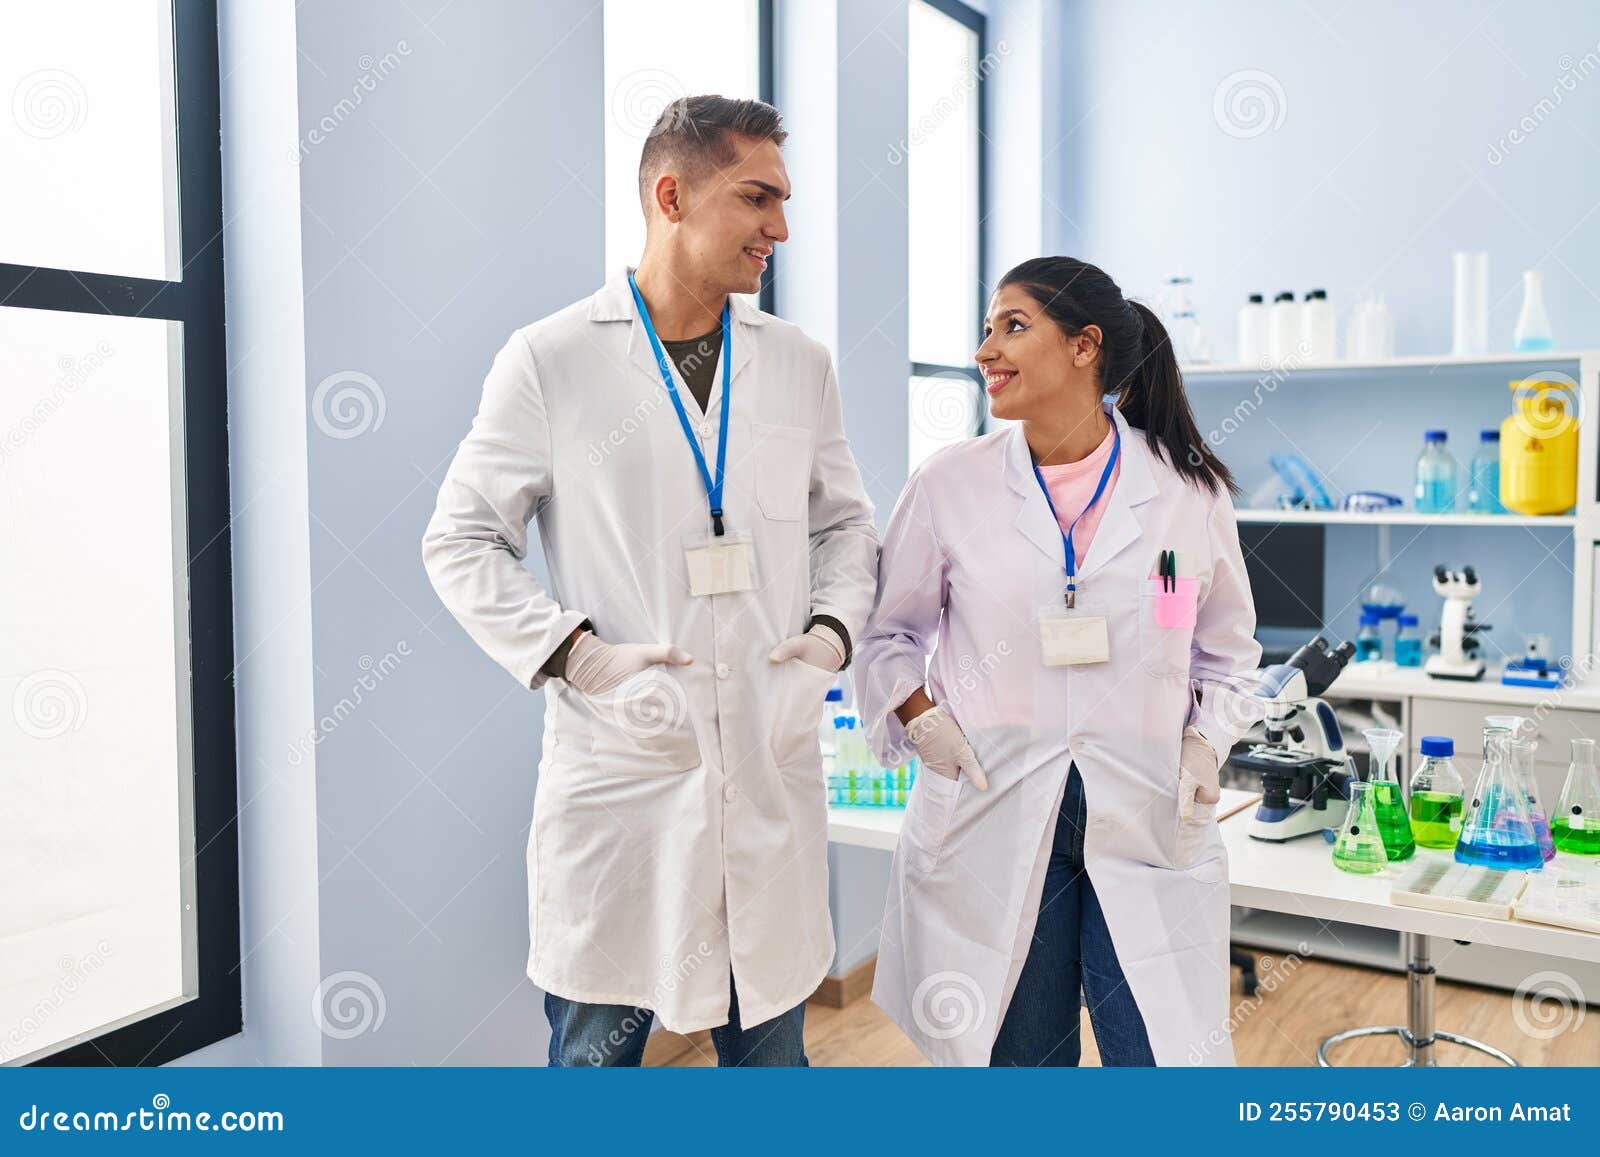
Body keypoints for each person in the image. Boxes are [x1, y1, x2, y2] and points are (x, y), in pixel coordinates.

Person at [422, 95, 878, 1067]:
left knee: (772, 1062)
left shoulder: (797, 363)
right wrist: (578, 659)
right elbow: (459, 538)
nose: (781, 229)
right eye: (758, 198)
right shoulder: (552, 358)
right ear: (671, 195)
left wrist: (831, 640)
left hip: (767, 757)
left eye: (785, 202)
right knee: (593, 1065)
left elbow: (846, 523)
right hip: (625, 776)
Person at [854, 256, 1262, 1067]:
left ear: (1084, 346)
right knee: (1022, 1063)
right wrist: (920, 719)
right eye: (985, 328)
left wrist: (1203, 742)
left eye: (1012, 326)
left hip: (1146, 809)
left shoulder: (1185, 490)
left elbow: (1228, 651)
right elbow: (885, 633)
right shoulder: (949, 484)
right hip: (993, 800)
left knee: (1155, 1058)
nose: (985, 350)